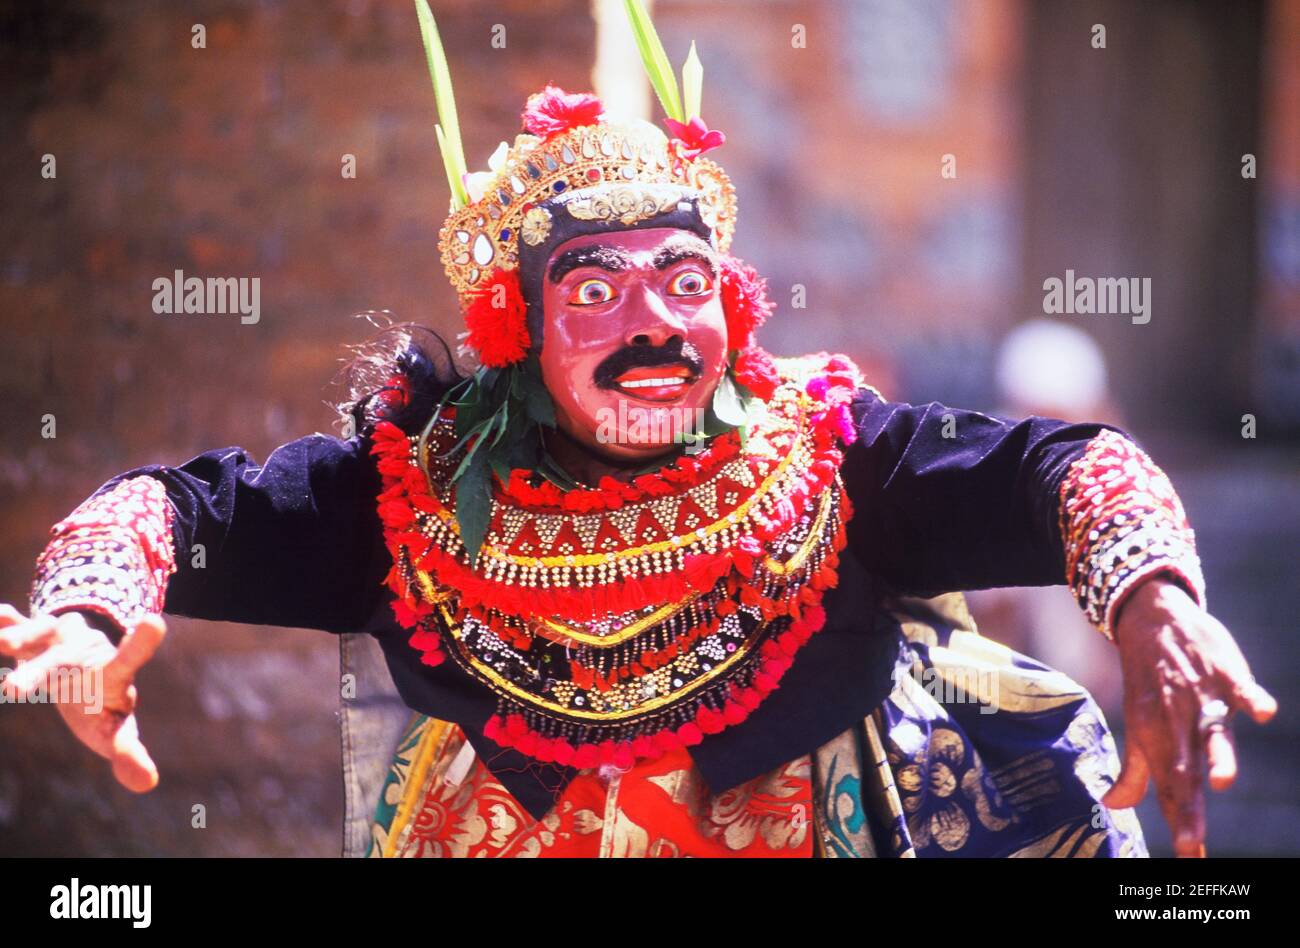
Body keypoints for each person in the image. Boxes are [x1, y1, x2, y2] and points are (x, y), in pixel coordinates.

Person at [0, 0, 1275, 858]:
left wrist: (1154, 599)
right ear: (518, 328)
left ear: (726, 307)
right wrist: (93, 616)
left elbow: (1068, 466)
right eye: (595, 292)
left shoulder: (831, 463)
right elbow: (173, 508)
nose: (652, 326)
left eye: (682, 285)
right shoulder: (411, 500)